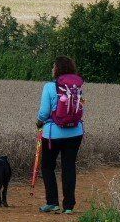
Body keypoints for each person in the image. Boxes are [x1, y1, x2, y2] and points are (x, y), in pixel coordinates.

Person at [36, 55, 85, 213]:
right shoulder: (77, 87)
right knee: (68, 166)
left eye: (53, 66)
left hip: (53, 134)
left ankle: (52, 202)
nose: (52, 69)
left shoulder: (49, 86)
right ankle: (69, 206)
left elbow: (44, 112)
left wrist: (39, 122)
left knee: (48, 166)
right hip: (75, 132)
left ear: (57, 69)